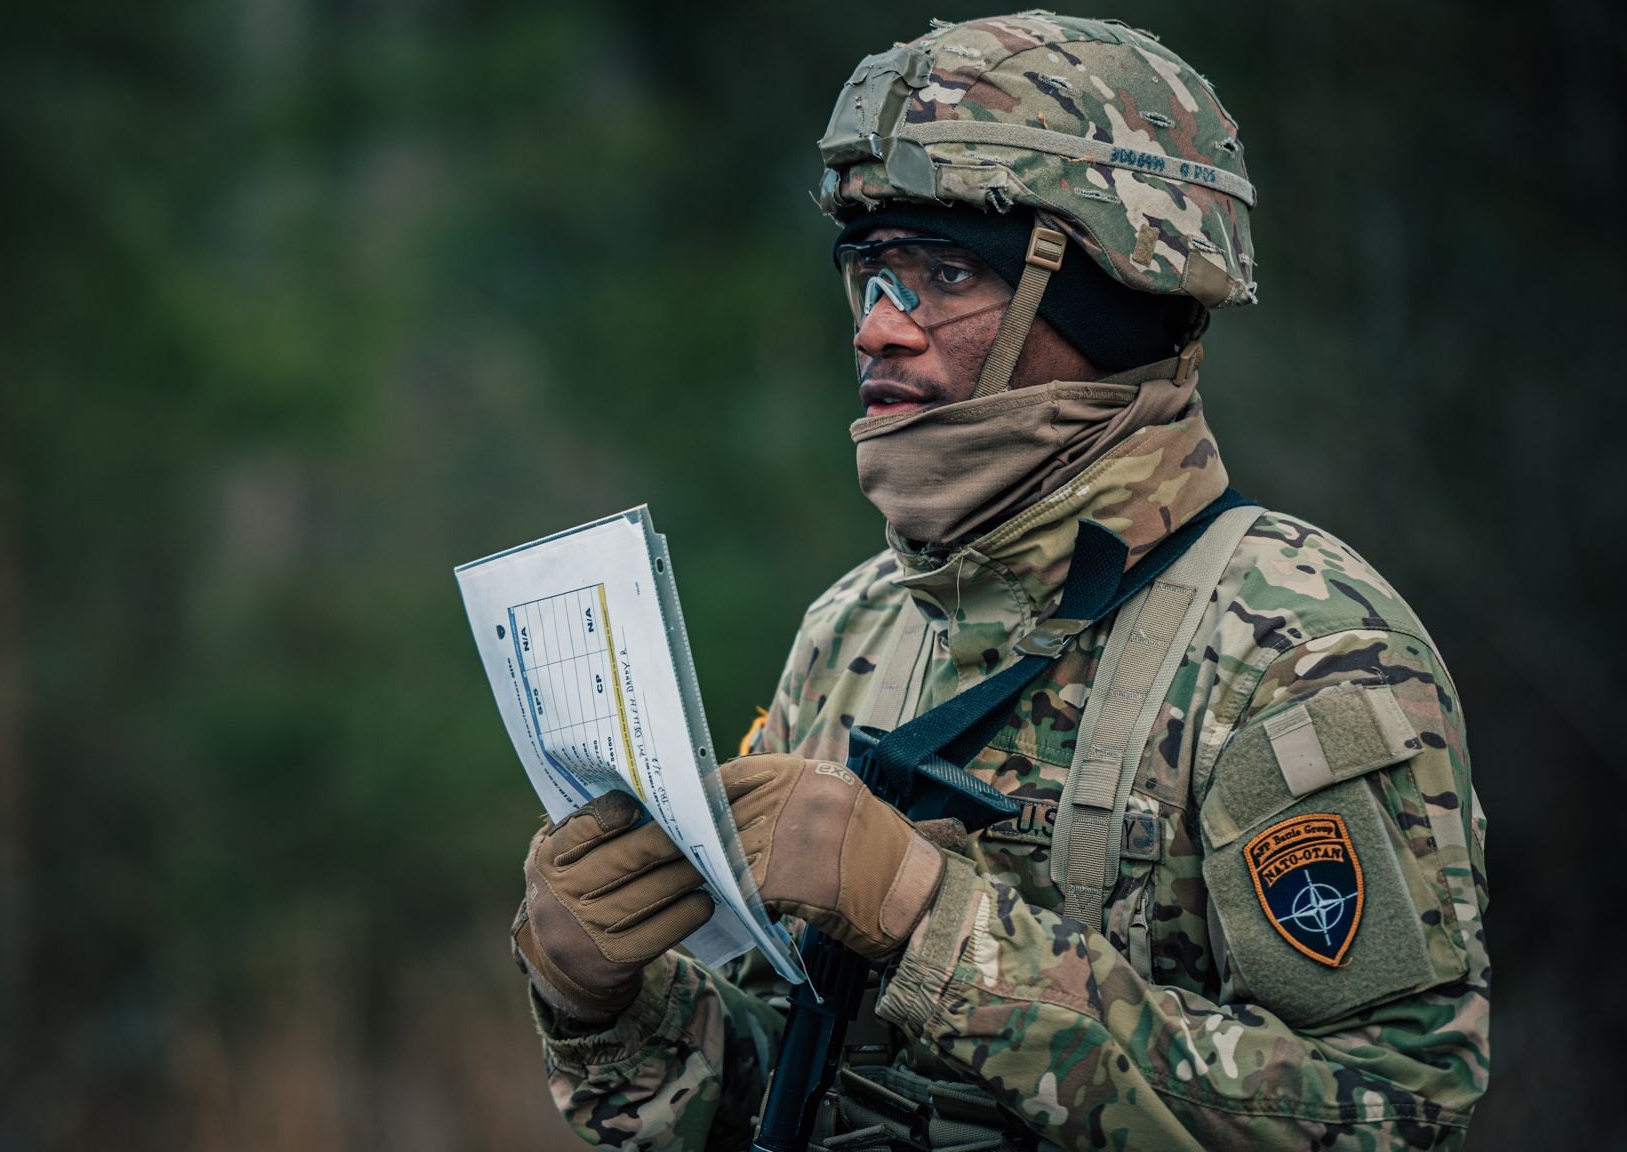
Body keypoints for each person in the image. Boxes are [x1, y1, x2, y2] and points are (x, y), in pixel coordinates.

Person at [508, 13, 1489, 1151]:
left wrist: (932, 923)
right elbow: (777, 1091)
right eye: (869, 273)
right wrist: (605, 1003)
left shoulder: (1295, 646)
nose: (879, 330)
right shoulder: (855, 629)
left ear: (1105, 294)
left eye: (943, 272)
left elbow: (1387, 1117)